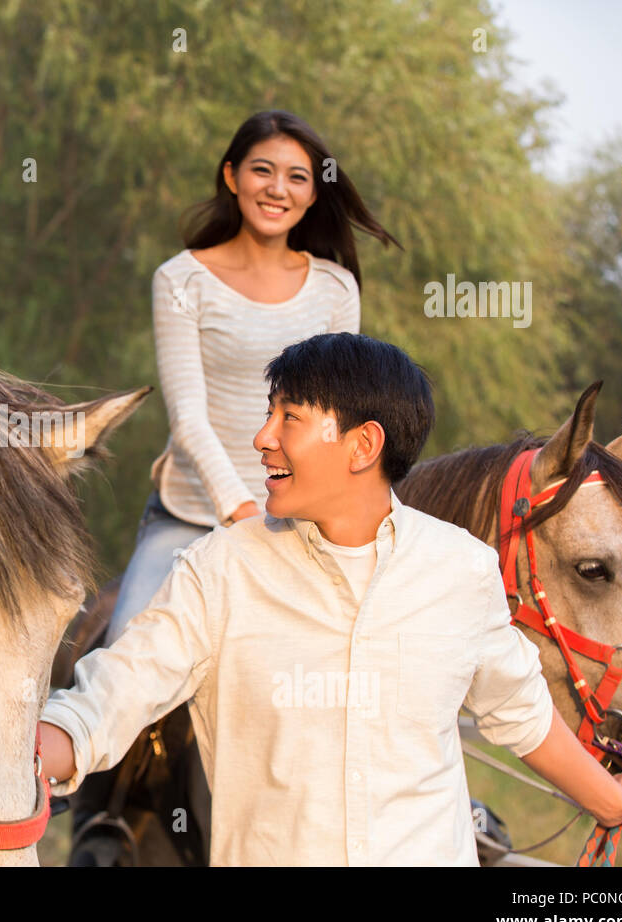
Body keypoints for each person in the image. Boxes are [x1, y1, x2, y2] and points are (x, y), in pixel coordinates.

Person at [42, 333, 622, 865]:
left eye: (289, 418)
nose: (261, 438)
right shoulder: (221, 569)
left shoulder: (462, 571)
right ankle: (109, 820)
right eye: (268, 413)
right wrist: (38, 747)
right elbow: (113, 695)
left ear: (363, 446)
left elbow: (523, 716)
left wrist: (617, 800)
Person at [74, 110, 399, 862]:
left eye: (295, 177)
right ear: (231, 176)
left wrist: (317, 506)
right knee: (129, 648)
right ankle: (107, 814)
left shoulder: (335, 288)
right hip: (195, 513)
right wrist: (241, 508)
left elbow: (335, 415)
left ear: (314, 195)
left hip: (300, 516)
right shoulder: (181, 280)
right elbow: (188, 416)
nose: (276, 189)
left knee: (370, 647)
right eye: (262, 170)